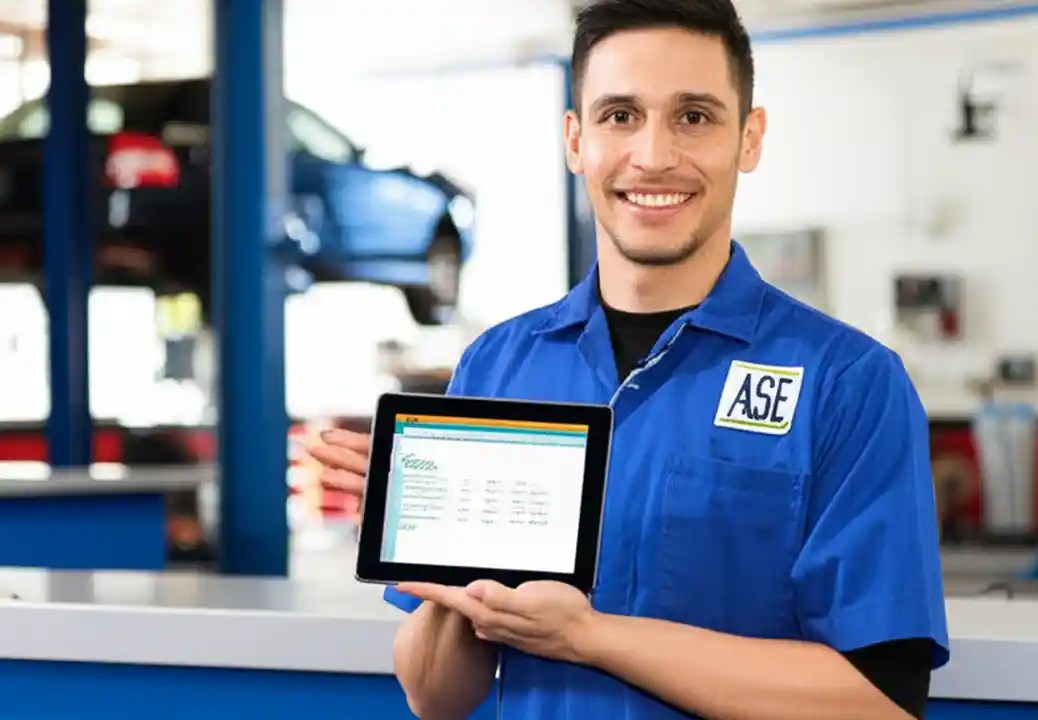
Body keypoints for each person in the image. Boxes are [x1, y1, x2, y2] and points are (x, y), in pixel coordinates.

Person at [308, 1, 949, 717]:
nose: (653, 156)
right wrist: (438, 547)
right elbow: (437, 697)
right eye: (620, 116)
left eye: (694, 117)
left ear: (750, 138)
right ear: (576, 139)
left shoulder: (847, 382)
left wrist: (592, 637)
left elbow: (880, 701)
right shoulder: (499, 365)